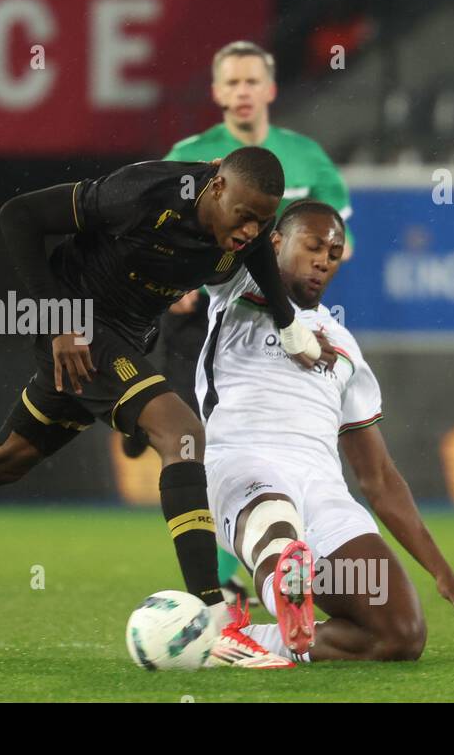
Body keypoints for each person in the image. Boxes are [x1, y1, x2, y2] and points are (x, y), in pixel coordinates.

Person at [0, 148, 333, 668]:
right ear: (217, 186)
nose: (249, 229)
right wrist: (59, 321)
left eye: (262, 220)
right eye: (243, 215)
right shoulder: (145, 192)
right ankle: (217, 623)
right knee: (181, 434)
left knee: (5, 457)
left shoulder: (242, 233)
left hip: (121, 340)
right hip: (78, 327)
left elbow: (256, 256)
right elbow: (17, 215)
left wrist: (290, 328)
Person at [198, 199, 454, 663]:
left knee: (400, 636)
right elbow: (215, 229)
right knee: (277, 527)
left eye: (335, 252)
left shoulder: (343, 347)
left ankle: (247, 640)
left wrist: (442, 572)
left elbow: (378, 477)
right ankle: (285, 577)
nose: (324, 259)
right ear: (276, 242)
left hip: (322, 491)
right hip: (246, 468)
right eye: (313, 245)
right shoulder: (236, 289)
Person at [140, 40, 356, 604]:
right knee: (197, 444)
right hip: (204, 324)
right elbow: (163, 232)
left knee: (228, 447)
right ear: (216, 92)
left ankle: (229, 583)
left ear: (270, 89)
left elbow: (340, 239)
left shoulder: (306, 156)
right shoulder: (192, 153)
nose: (241, 92)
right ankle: (229, 580)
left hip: (280, 328)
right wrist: (177, 285)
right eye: (231, 83)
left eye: (250, 82)